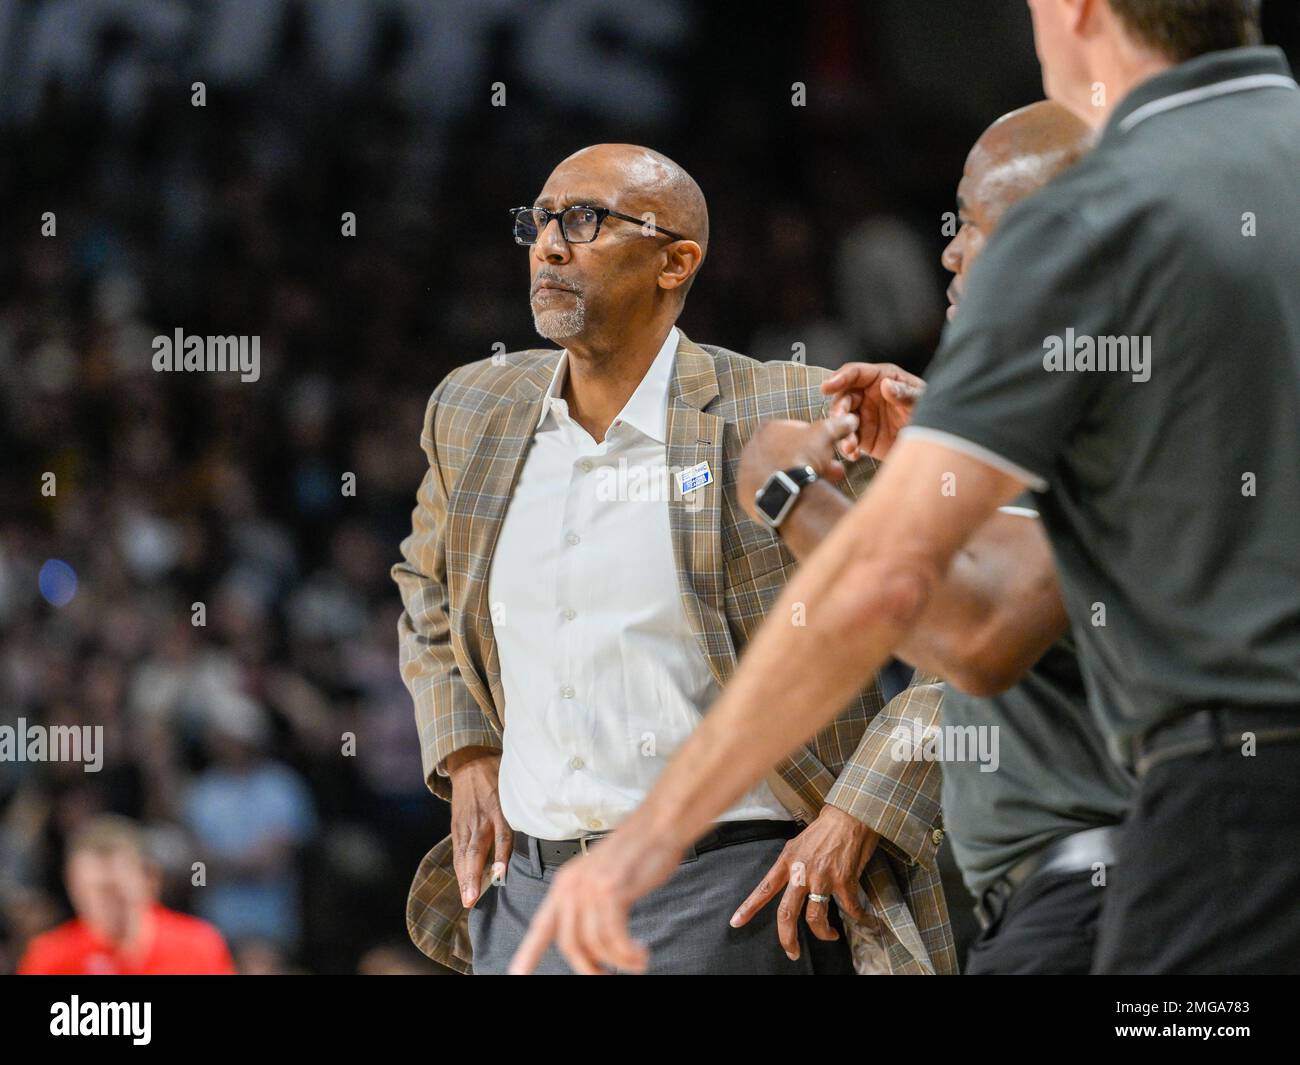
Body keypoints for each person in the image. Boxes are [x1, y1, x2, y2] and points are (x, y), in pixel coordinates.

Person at [510, 0, 1300, 977]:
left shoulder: (1100, 207)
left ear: (1075, 10)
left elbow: (949, 617)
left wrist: (784, 483)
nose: (950, 250)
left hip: (1217, 812)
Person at [393, 143, 954, 975]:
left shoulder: (792, 405)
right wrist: (466, 747)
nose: (548, 245)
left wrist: (863, 806)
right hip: (526, 899)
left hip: (729, 890)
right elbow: (426, 585)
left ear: (675, 260)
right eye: (538, 222)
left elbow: (983, 600)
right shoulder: (474, 407)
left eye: (582, 221)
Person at [734, 102, 1134, 976]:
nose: (949, 251)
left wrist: (784, 486)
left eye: (976, 225)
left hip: (1103, 904)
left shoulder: (1093, 403)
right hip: (1088, 894)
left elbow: (973, 639)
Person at [17, 815, 235, 975]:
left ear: (149, 879)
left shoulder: (200, 945)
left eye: (115, 890)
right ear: (72, 888)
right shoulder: (50, 958)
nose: (104, 905)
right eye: (92, 892)